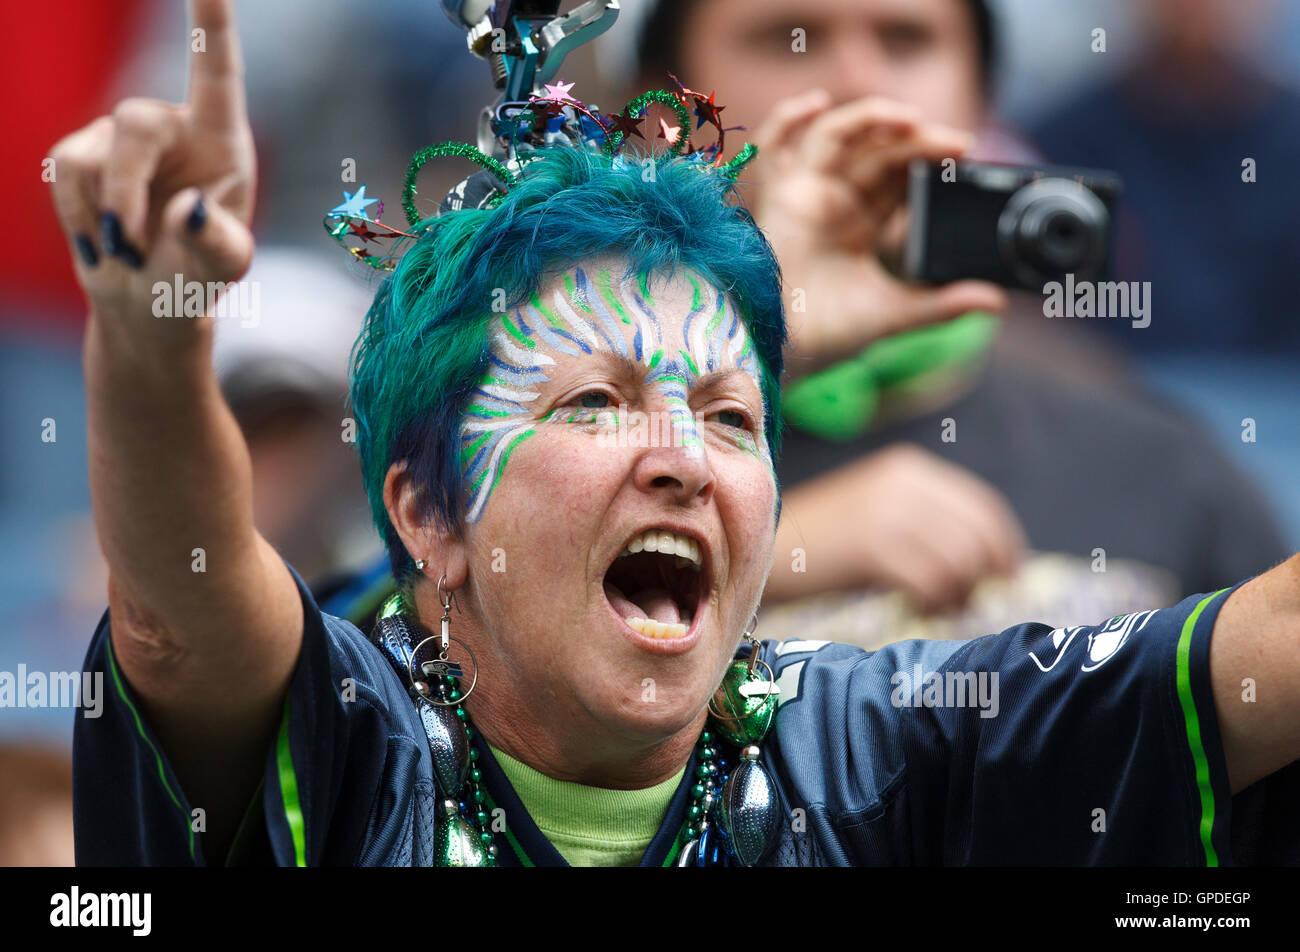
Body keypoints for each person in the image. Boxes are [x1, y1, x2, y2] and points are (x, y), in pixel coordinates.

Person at [58, 0, 1300, 866]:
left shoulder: (888, 740)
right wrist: (150, 324)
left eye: (728, 416)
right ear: (424, 513)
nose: (681, 457)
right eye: (589, 402)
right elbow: (183, 607)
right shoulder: (348, 744)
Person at [631, 0, 1288, 622]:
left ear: (983, 106)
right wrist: (759, 550)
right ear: (665, 113)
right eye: (787, 37)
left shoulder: (1164, 467)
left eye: (907, 40)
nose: (858, 83)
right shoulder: (567, 426)